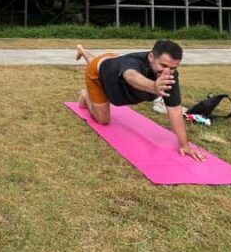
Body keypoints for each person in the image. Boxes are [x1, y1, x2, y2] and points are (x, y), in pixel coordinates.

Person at [75, 39, 206, 162]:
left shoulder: (169, 76)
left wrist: (184, 145)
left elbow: (175, 109)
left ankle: (83, 51)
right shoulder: (133, 63)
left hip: (113, 61)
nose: (167, 72)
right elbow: (130, 75)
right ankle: (86, 95)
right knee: (103, 120)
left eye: (173, 68)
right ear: (151, 57)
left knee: (99, 62)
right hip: (99, 72)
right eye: (163, 65)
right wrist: (153, 87)